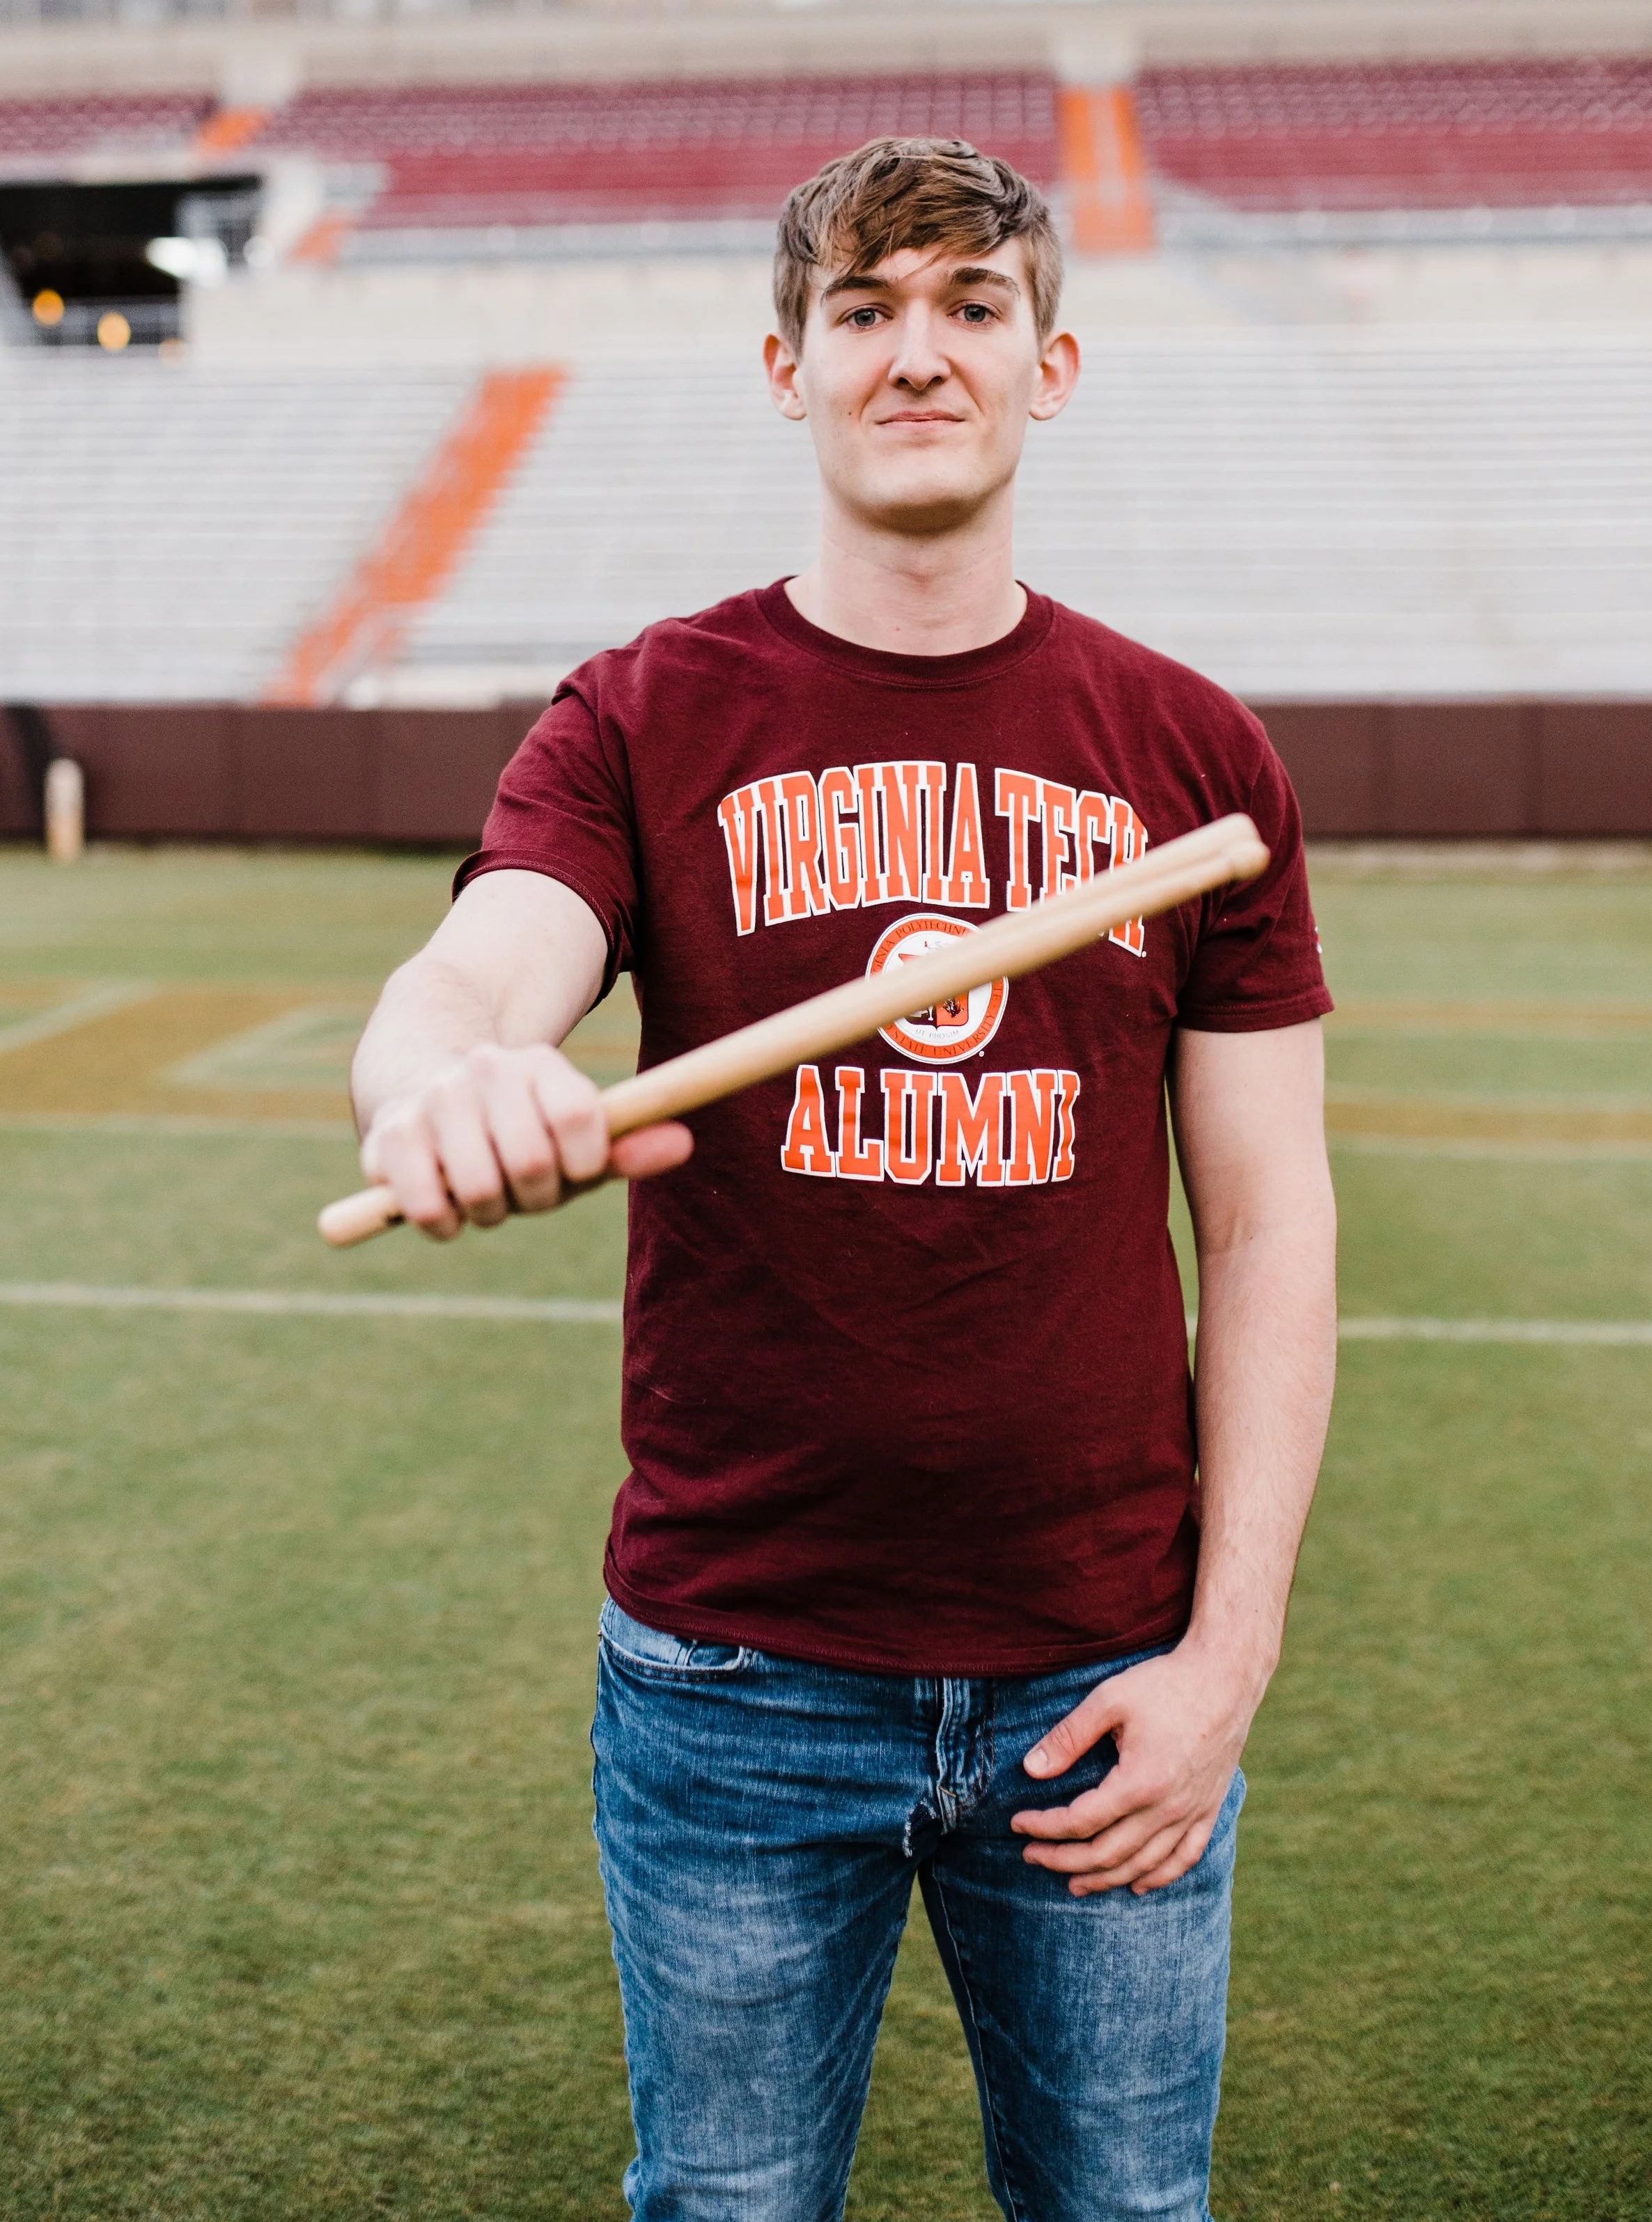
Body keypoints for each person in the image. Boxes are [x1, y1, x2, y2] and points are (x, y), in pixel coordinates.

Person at [350, 135, 1338, 2222]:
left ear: (1048, 366)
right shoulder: (641, 715)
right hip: (734, 1680)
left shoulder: (1192, 754)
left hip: (1102, 1674)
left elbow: (1263, 1228)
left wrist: (1223, 1663)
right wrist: (437, 1076)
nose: (916, 356)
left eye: (969, 309)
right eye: (864, 313)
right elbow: (484, 961)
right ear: (783, 367)